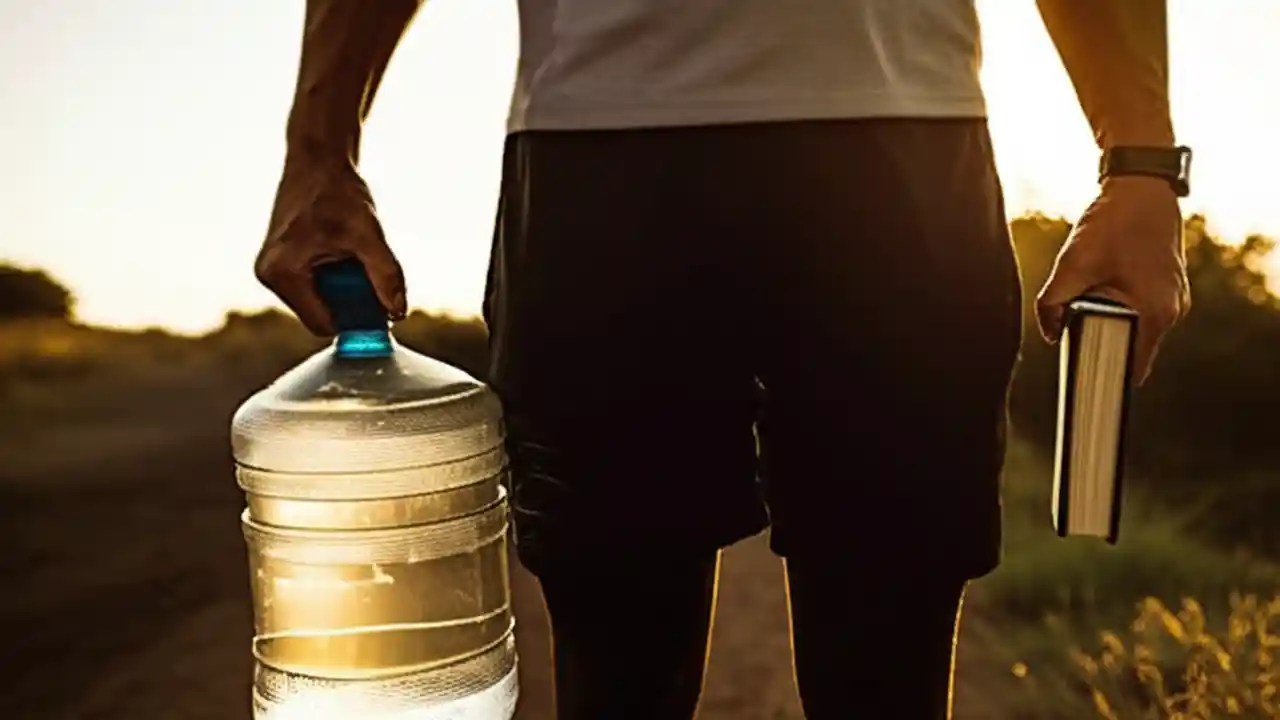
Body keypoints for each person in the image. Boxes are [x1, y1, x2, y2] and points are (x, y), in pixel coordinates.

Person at [255, 1, 1191, 717]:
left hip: (902, 149)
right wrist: (317, 150)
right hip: (602, 159)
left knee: (889, 665)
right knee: (616, 670)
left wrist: (1142, 167)